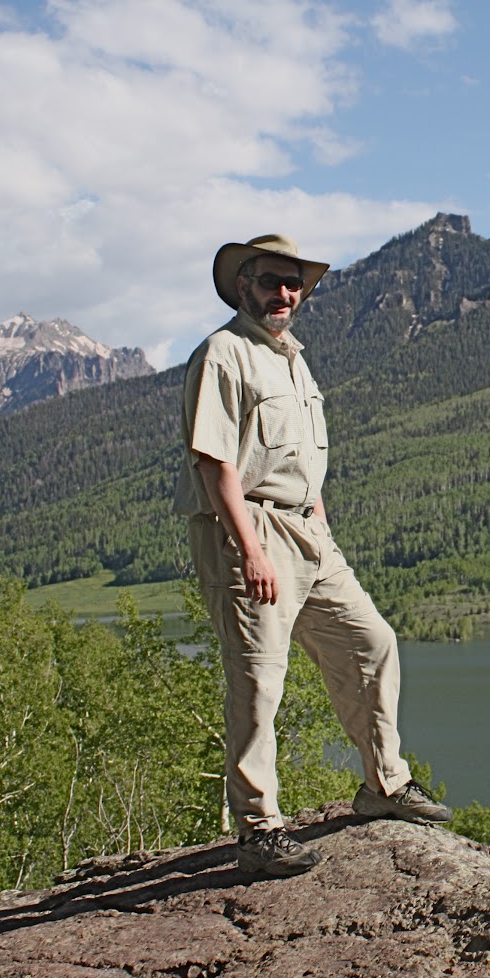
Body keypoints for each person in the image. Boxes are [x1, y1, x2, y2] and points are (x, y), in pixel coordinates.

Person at [174, 233, 450, 877]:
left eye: (294, 283)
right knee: (258, 682)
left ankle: (383, 785)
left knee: (372, 642)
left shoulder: (295, 359)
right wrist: (251, 550)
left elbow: (302, 459)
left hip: (308, 532)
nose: (285, 293)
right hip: (250, 528)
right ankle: (259, 828)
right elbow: (214, 461)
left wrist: (319, 526)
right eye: (272, 280)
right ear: (244, 284)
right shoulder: (223, 353)